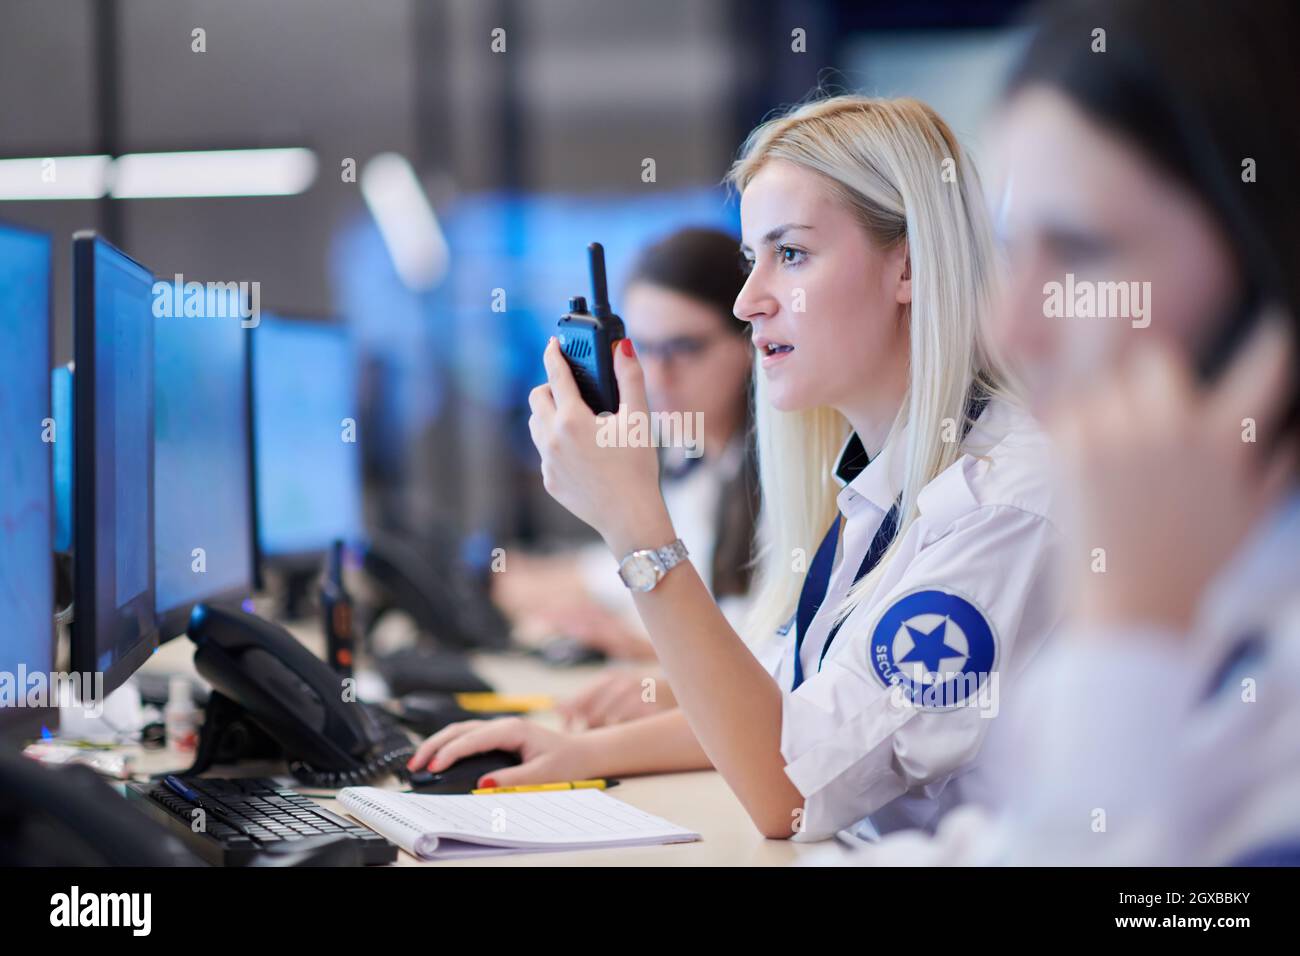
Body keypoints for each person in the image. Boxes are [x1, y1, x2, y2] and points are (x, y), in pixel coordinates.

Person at [411, 94, 1062, 841]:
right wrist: (577, 752)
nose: (749, 301)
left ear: (908, 265)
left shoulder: (1002, 506)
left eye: (791, 255)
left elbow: (788, 792)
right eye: (754, 259)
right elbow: (787, 719)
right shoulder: (875, 491)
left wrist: (635, 527)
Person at [815, 0, 1300, 865]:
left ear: (1270, 272)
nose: (1013, 328)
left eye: (1078, 251)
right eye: (1014, 252)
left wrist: (1134, 647)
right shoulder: (1201, 569)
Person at [493, 228, 759, 728]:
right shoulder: (691, 456)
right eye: (642, 351)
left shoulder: (781, 481)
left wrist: (638, 646)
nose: (657, 377)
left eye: (685, 347)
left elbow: (770, 656)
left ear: (751, 340)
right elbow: (619, 571)